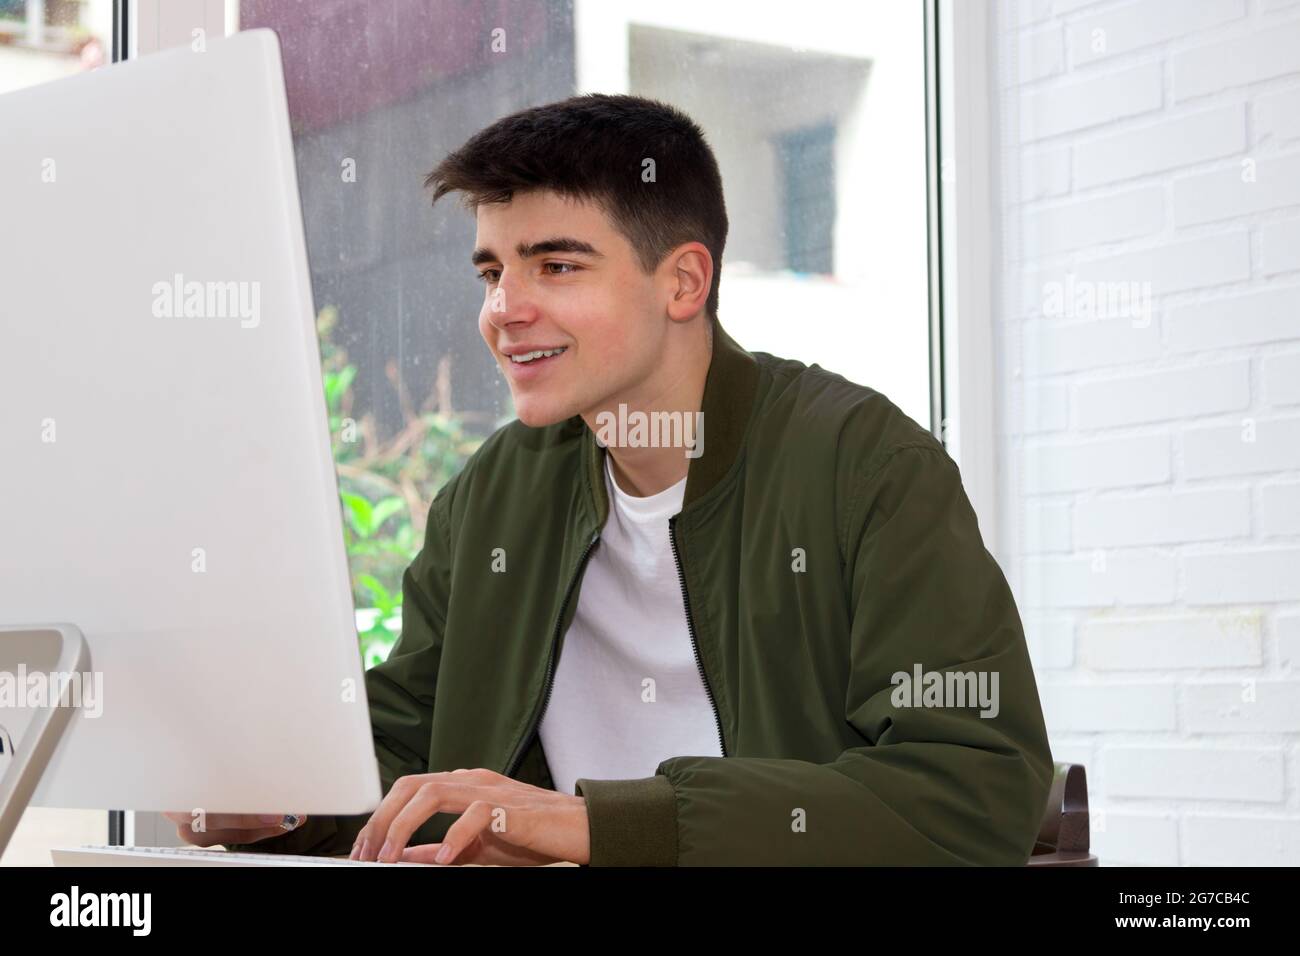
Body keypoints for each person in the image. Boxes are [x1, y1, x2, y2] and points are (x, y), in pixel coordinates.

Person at [167, 93, 1053, 866]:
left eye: (554, 265)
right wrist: (275, 801)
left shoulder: (865, 467)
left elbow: (973, 788)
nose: (503, 311)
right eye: (491, 271)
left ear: (683, 281)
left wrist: (602, 826)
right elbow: (406, 760)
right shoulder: (491, 501)